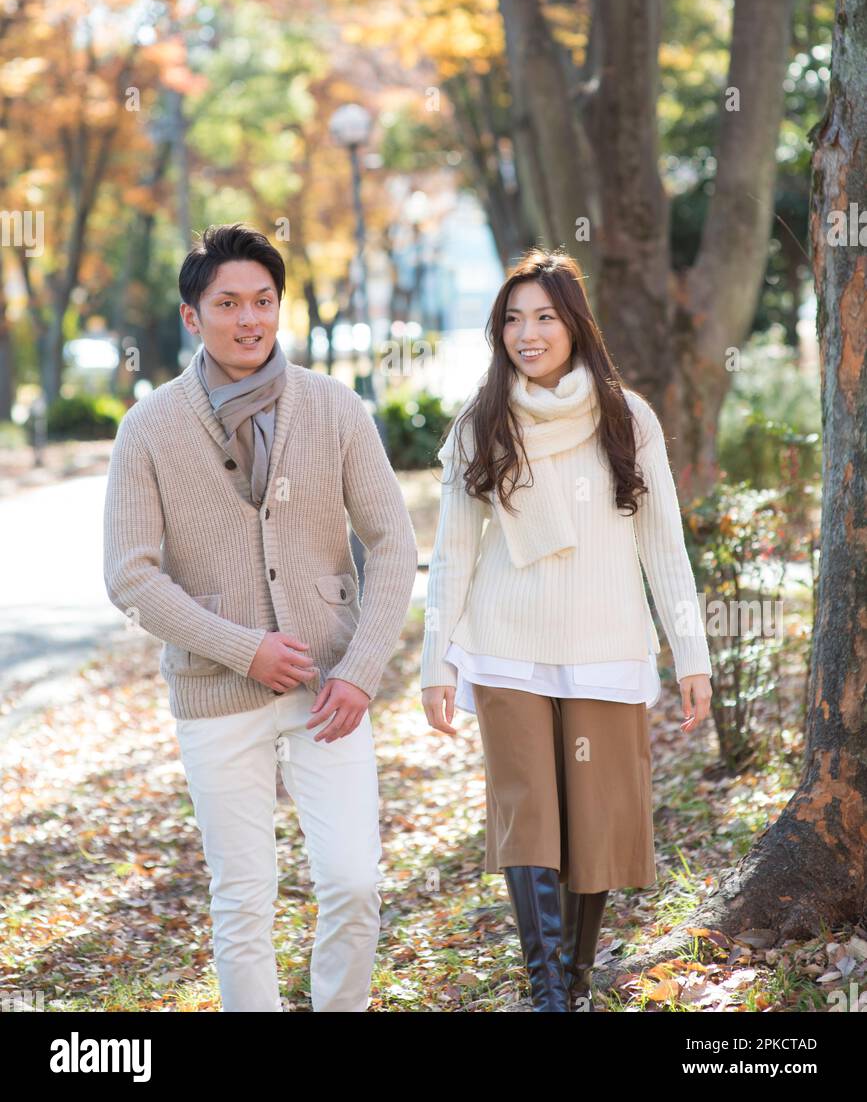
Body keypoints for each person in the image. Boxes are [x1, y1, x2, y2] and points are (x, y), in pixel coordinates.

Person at [103, 222, 417, 1012]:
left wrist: (361, 669)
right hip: (216, 696)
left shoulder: (336, 408)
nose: (249, 319)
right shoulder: (147, 428)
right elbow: (130, 575)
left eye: (264, 301)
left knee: (352, 880)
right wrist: (243, 650)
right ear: (191, 316)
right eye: (228, 303)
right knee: (243, 897)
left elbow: (393, 541)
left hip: (329, 696)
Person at [421, 249, 713, 1013]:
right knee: (529, 818)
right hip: (504, 643)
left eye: (543, 316)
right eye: (512, 319)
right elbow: (451, 555)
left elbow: (663, 546)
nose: (527, 332)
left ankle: (576, 990)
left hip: (605, 644)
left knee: (595, 822)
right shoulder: (480, 423)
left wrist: (691, 654)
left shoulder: (626, 416)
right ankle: (547, 992)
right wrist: (434, 666)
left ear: (574, 324)